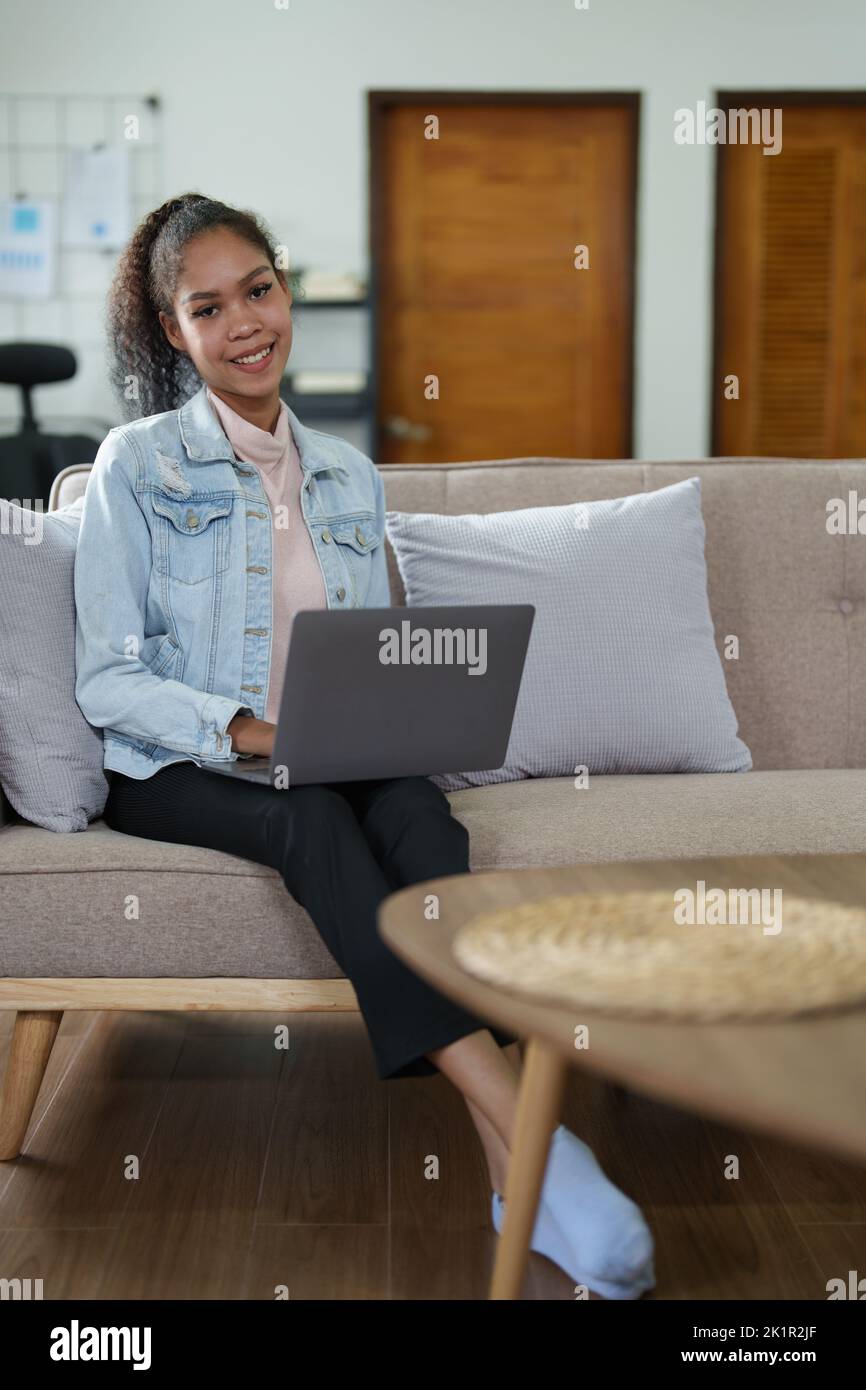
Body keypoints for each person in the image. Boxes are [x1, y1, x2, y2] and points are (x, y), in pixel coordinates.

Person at [73, 192, 655, 1298]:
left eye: (260, 289)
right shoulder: (134, 465)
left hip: (322, 744)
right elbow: (107, 678)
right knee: (310, 817)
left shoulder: (346, 470)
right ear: (173, 332)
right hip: (181, 765)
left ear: (284, 292)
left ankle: (506, 1176)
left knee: (419, 811)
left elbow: (370, 650)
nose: (247, 321)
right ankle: (528, 1135)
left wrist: (411, 700)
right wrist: (244, 727)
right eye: (210, 306)